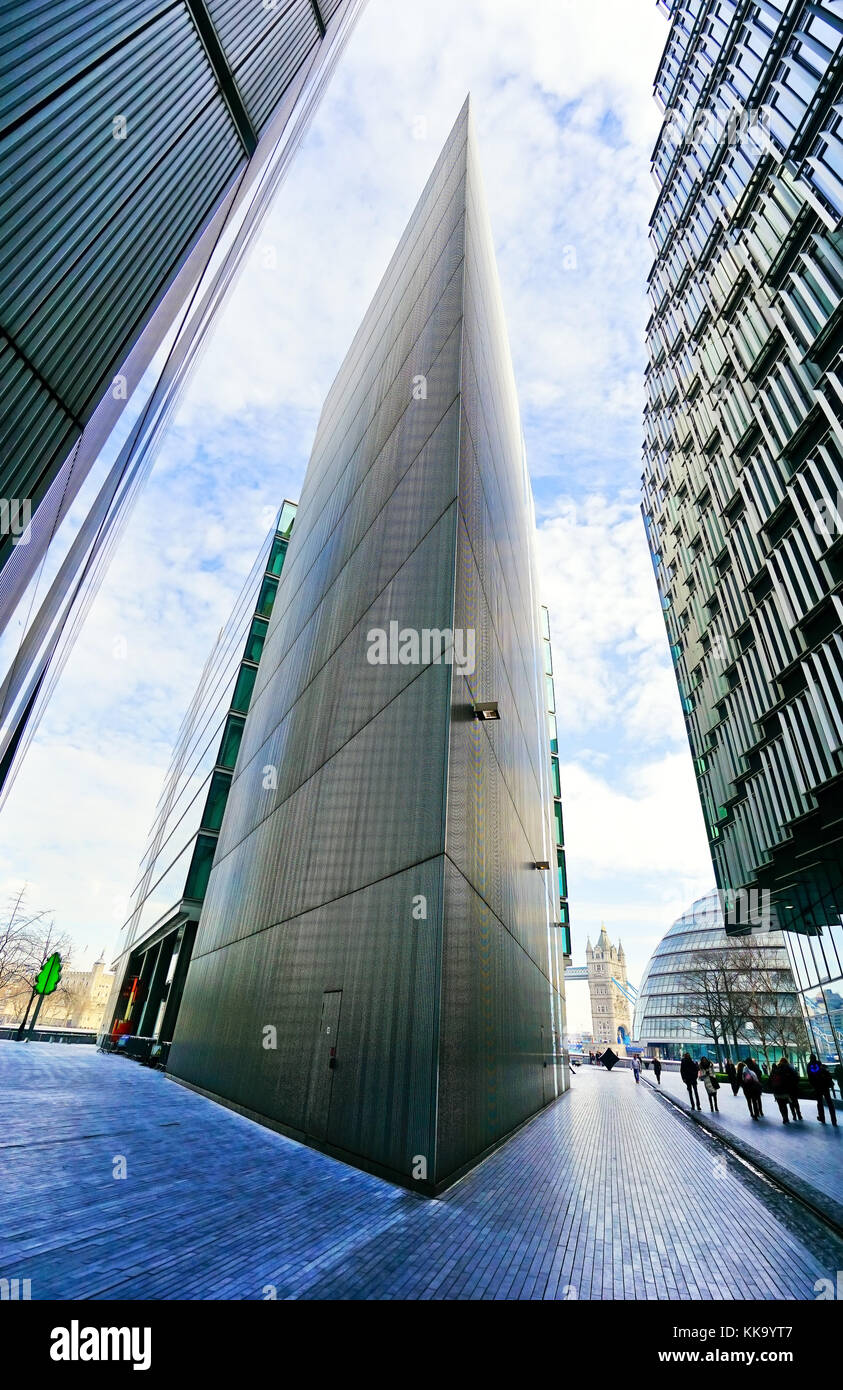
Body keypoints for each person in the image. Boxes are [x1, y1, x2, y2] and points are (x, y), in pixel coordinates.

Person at [807, 1054, 838, 1127]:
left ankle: (822, 1118)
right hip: (825, 1086)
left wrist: (813, 1086)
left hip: (817, 1087)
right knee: (829, 1102)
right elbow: (826, 1073)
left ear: (810, 1058)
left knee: (819, 1103)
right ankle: (834, 1120)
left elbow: (810, 1077)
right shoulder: (819, 1064)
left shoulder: (809, 1065)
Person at [777, 1057, 802, 1121]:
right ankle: (798, 1115)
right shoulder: (790, 1067)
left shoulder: (778, 1068)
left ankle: (789, 1117)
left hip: (783, 1089)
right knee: (795, 1101)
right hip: (792, 1088)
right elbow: (797, 1077)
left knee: (787, 1103)